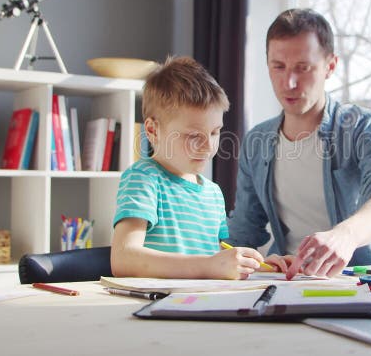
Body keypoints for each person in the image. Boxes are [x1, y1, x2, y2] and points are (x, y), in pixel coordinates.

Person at [227, 8, 371, 279]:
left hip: (360, 281)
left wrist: (346, 235)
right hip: (287, 281)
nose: (289, 82)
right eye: (278, 67)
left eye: (303, 68)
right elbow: (243, 232)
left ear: (330, 66)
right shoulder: (257, 141)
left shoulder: (364, 126)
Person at [111, 56, 267, 279]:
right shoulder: (144, 179)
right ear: (153, 131)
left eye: (214, 132)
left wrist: (262, 265)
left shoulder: (213, 193)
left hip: (198, 302)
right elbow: (123, 259)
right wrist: (209, 266)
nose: (208, 146)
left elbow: (217, 257)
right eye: (194, 135)